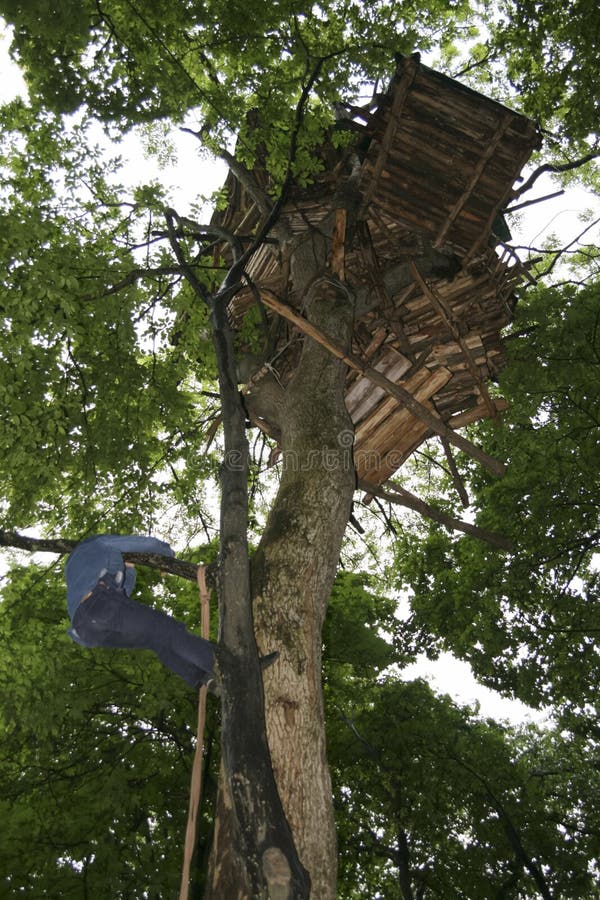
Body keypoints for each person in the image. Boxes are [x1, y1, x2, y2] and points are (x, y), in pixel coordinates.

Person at [65, 534, 216, 690]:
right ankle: (217, 662)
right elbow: (142, 543)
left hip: (86, 630)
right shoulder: (95, 544)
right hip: (98, 605)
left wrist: (129, 569)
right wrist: (166, 554)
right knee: (165, 628)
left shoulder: (82, 572)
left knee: (155, 640)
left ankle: (201, 677)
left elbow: (121, 598)